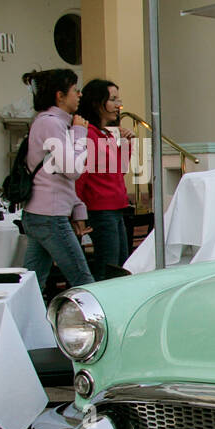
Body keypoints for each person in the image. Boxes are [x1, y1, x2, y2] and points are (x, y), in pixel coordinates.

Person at [23, 69, 94, 290]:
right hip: (50, 216)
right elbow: (72, 169)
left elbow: (57, 175)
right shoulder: (51, 124)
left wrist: (77, 207)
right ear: (60, 96)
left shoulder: (51, 123)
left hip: (41, 212)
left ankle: (26, 322)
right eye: (75, 90)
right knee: (83, 281)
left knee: (33, 283)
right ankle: (102, 322)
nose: (79, 95)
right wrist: (81, 134)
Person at [76, 79, 134, 280]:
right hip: (100, 209)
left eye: (118, 99)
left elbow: (120, 170)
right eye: (113, 99)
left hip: (117, 206)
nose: (118, 105)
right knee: (107, 264)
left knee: (120, 261)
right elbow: (81, 176)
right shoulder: (88, 134)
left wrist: (126, 143)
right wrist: (78, 212)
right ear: (96, 102)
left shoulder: (105, 134)